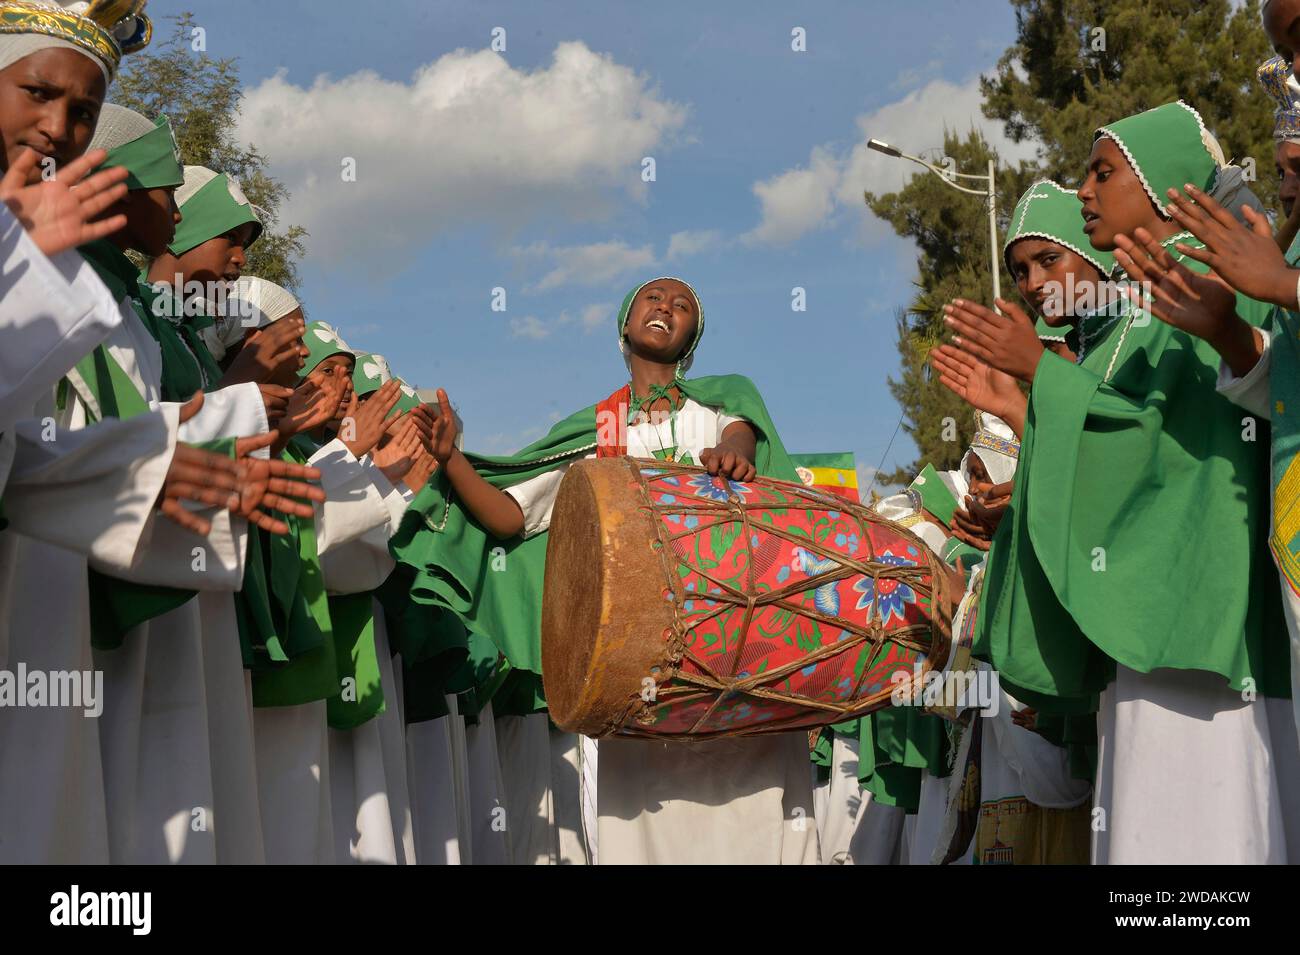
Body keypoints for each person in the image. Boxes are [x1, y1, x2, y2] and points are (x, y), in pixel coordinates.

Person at [945, 101, 1297, 864]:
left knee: (1202, 841)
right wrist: (1027, 404)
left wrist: (1037, 375)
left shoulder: (1207, 277)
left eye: (1102, 172)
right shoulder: (1126, 317)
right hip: (1145, 629)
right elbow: (1116, 440)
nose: (1083, 192)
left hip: (1199, 622)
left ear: (1164, 183)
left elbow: (1159, 447)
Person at [392, 276, 820, 864]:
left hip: (737, 649)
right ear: (624, 324)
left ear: (694, 336)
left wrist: (736, 458)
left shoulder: (720, 401)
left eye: (683, 305)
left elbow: (741, 435)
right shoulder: (599, 430)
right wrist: (452, 460)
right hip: (642, 667)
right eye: (653, 298)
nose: (667, 307)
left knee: (754, 813)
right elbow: (512, 517)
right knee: (649, 827)